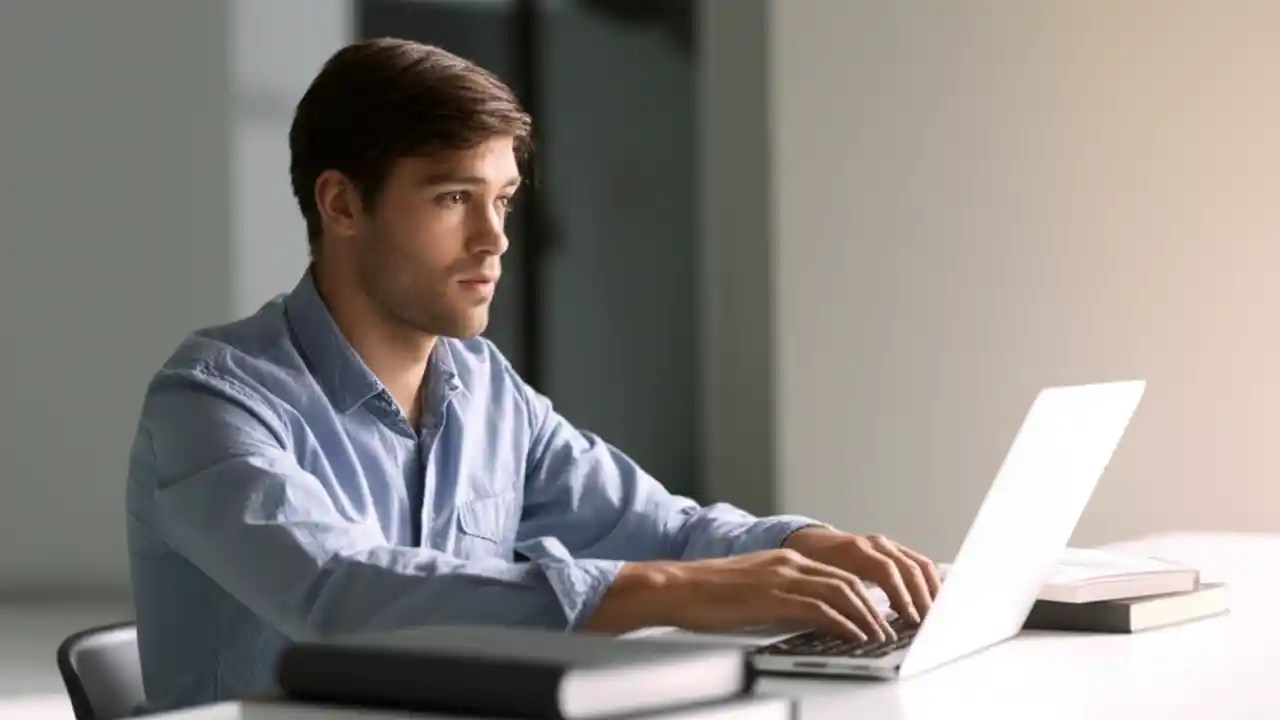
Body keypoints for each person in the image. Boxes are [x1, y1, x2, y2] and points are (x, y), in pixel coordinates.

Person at [126, 38, 941, 713]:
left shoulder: (484, 389)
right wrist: (668, 591)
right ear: (340, 204)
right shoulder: (212, 401)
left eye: (504, 200)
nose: (495, 240)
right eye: (453, 198)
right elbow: (341, 595)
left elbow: (662, 527)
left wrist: (810, 546)